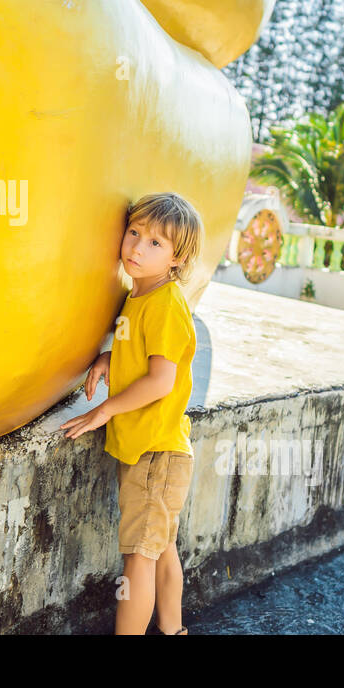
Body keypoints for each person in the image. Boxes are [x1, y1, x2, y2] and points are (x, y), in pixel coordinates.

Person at [60, 191, 203, 635]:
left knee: (138, 559)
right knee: (160, 549)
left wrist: (104, 410)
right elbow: (138, 352)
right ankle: (174, 631)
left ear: (177, 259)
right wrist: (108, 359)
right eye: (135, 233)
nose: (138, 248)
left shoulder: (164, 303)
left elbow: (161, 380)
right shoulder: (140, 295)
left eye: (156, 243)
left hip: (155, 453)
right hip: (156, 447)